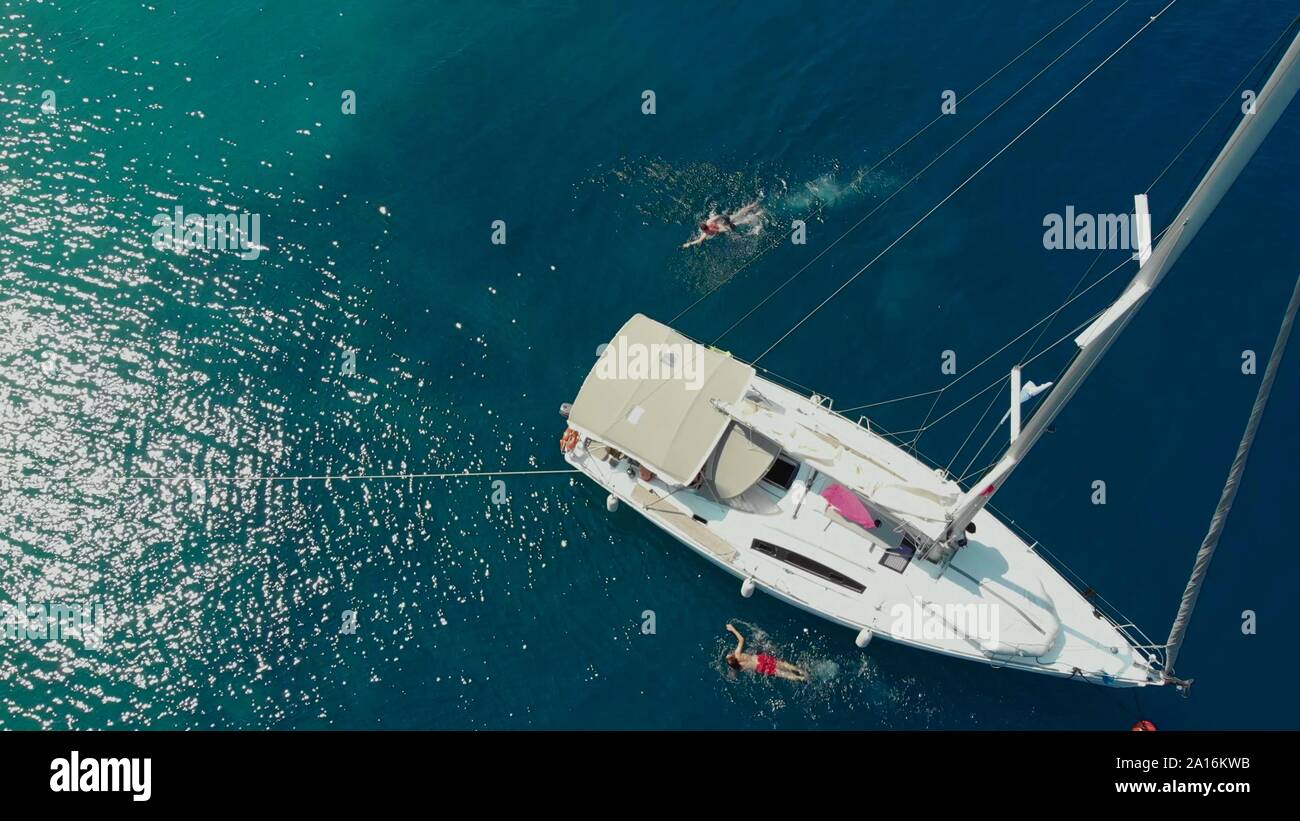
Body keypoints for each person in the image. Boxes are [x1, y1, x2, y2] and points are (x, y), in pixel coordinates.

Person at [724, 623, 807, 681]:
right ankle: (801, 671)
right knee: (784, 664)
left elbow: (733, 676)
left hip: (761, 668)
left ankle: (801, 678)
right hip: (761, 659)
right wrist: (732, 629)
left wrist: (732, 676)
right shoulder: (737, 654)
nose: (728, 654)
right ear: (733, 657)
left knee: (783, 674)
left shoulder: (737, 668)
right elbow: (741, 639)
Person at [681, 198, 766, 248]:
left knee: (740, 214)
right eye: (706, 230)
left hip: (725, 222)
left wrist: (726, 220)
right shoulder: (706, 233)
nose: (707, 230)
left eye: (706, 229)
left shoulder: (709, 223)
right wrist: (689, 244)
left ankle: (756, 205)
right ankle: (758, 212)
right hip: (726, 227)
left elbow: (719, 216)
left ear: (706, 227)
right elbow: (699, 240)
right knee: (742, 220)